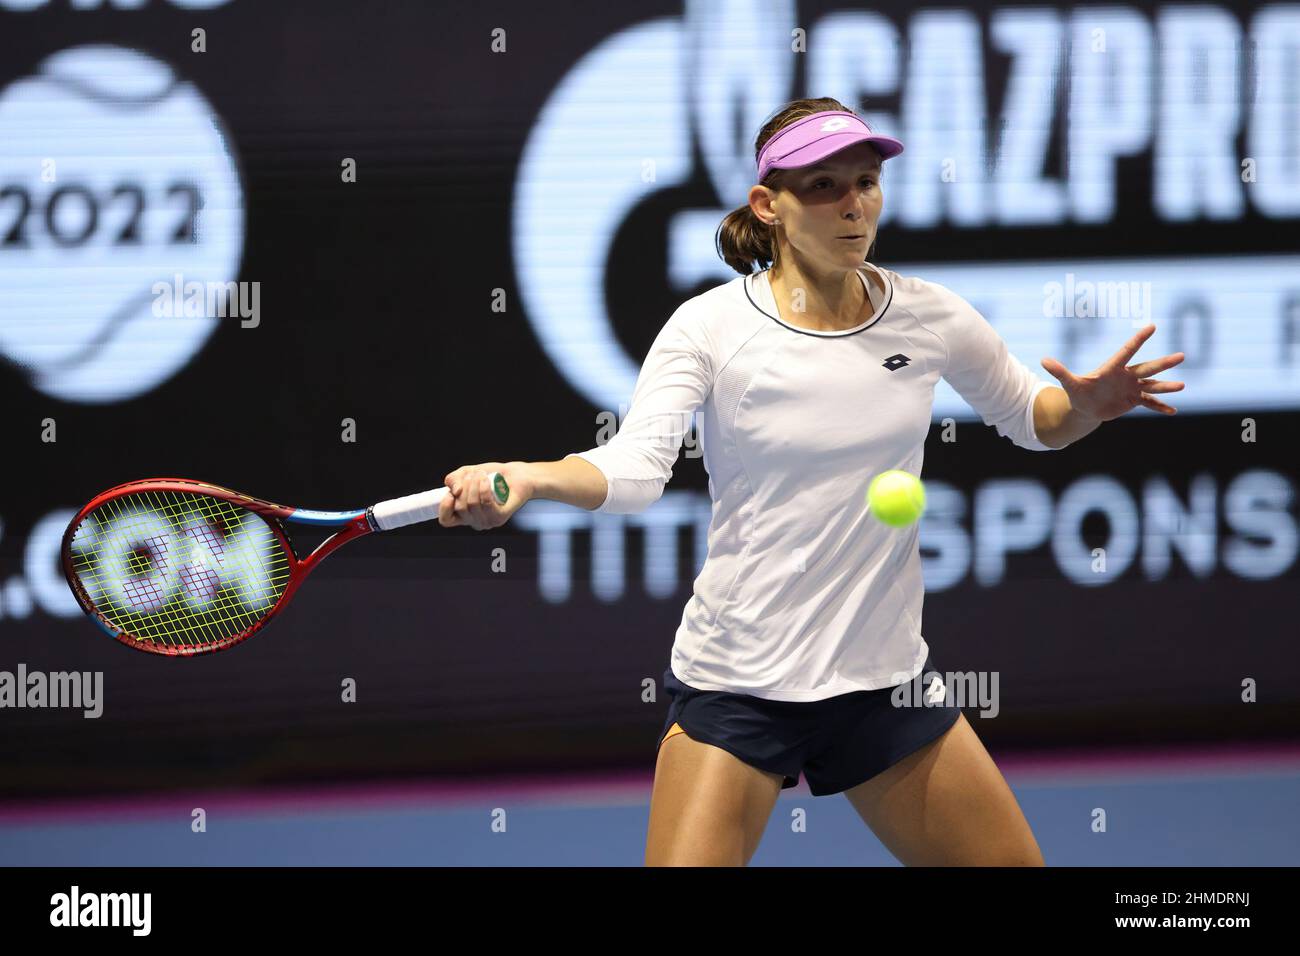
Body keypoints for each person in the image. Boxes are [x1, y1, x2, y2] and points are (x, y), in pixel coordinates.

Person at [437, 97, 1186, 866]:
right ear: (769, 205)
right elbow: (631, 471)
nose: (853, 205)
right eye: (824, 186)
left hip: (883, 686)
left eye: (865, 181)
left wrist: (1088, 407)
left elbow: (1034, 417)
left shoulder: (930, 317)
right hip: (738, 686)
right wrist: (525, 478)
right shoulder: (709, 329)